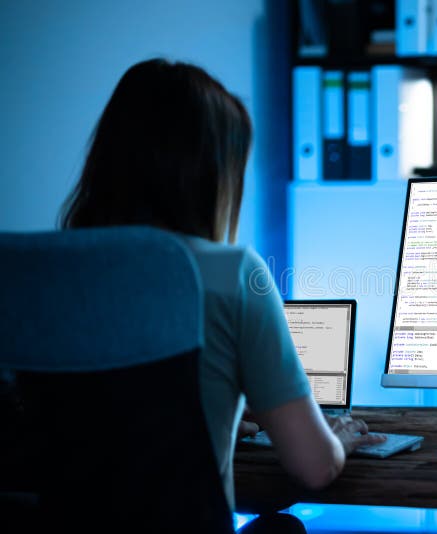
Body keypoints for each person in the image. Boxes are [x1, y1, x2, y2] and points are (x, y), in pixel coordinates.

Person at [59, 58, 383, 531]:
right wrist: (338, 440)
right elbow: (315, 468)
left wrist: (215, 415)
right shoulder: (232, 272)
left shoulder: (51, 269)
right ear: (211, 176)